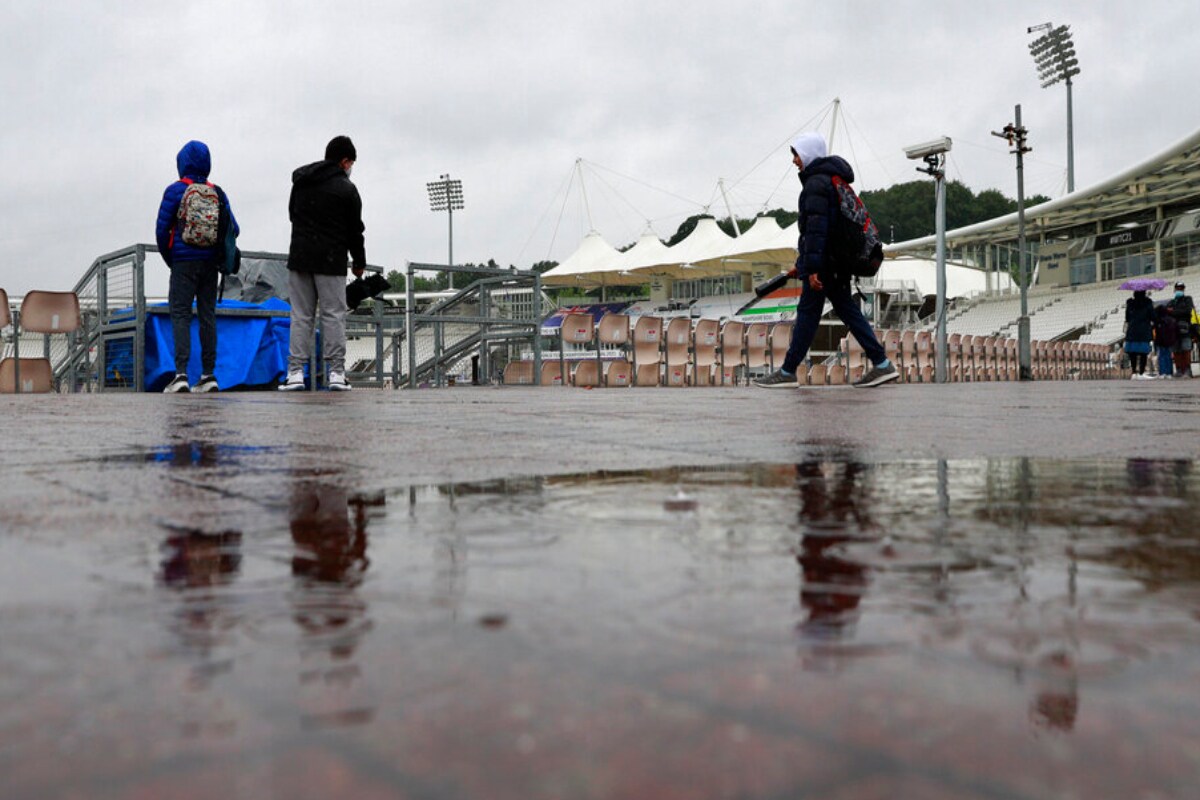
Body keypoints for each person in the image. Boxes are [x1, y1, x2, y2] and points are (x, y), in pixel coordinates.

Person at [755, 133, 898, 388]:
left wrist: (812, 268)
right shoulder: (833, 180)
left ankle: (788, 372)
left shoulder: (815, 184)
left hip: (824, 266)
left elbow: (816, 231)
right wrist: (803, 263)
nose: (794, 160)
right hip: (836, 262)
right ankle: (882, 363)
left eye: (797, 154)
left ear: (808, 154)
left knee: (808, 314)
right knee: (845, 311)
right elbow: (826, 230)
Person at [280, 135, 366, 391]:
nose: (350, 168)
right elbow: (355, 230)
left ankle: (295, 373)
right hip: (331, 260)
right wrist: (359, 262)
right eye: (351, 163)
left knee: (301, 316)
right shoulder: (347, 189)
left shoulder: (301, 182)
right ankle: (336, 373)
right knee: (333, 315)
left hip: (300, 258)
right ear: (344, 161)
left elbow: (292, 215)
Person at [155, 140, 238, 393]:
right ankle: (208, 375)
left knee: (180, 315)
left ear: (181, 163)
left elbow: (161, 230)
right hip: (210, 264)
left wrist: (172, 259)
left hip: (183, 263)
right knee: (207, 316)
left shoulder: (175, 190)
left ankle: (181, 375)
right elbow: (233, 228)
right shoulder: (218, 192)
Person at [1166, 281, 1197, 378]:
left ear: (1184, 289)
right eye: (1178, 288)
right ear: (1174, 289)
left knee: (1186, 349)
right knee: (1176, 351)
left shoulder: (1188, 299)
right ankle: (1179, 370)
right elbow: (1166, 312)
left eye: (1181, 288)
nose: (1179, 290)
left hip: (1185, 329)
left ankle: (1187, 370)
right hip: (1173, 330)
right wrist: (1176, 312)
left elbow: (1188, 311)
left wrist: (1173, 311)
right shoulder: (1171, 302)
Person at [1123, 289, 1154, 379]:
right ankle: (1141, 372)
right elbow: (1152, 316)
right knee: (1143, 353)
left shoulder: (1130, 304)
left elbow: (1127, 318)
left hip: (1132, 330)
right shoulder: (1148, 303)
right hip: (1144, 330)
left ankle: (1134, 372)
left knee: (1133, 353)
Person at [1153, 300, 1177, 379]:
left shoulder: (1158, 320)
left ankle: (1162, 372)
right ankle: (1169, 373)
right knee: (1168, 356)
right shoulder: (1171, 319)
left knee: (1162, 356)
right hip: (1169, 341)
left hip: (1160, 341)